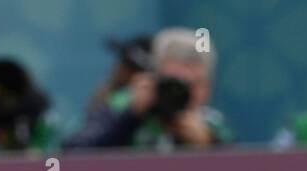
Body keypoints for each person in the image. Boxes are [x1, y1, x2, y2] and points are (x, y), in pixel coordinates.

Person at [64, 28, 231, 151]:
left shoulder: (211, 124)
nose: (178, 92)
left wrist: (208, 144)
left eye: (192, 84)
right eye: (172, 81)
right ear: (153, 77)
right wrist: (130, 117)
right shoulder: (122, 105)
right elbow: (73, 154)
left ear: (207, 88)